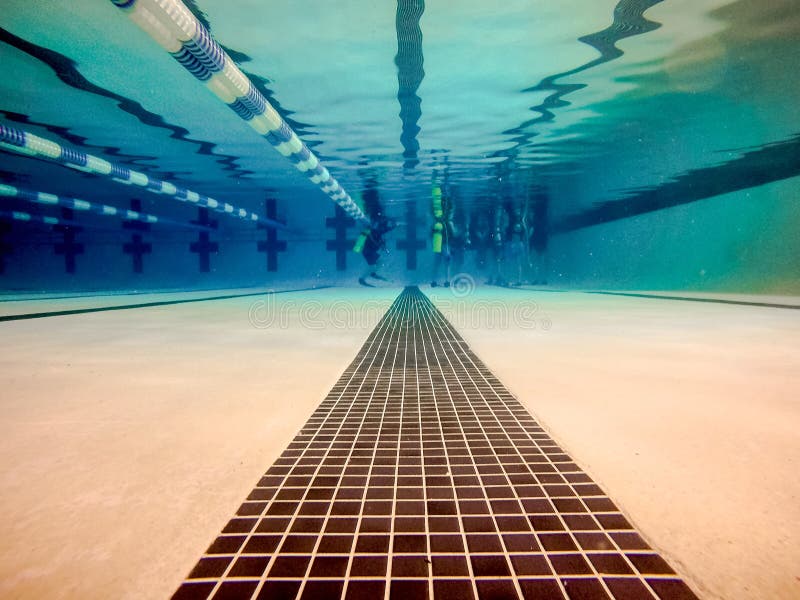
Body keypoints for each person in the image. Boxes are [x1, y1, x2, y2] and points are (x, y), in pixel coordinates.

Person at [355, 211, 396, 287]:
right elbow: (382, 231)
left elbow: (382, 233)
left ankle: (372, 273)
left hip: (370, 251)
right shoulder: (374, 231)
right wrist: (392, 225)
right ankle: (362, 279)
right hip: (368, 251)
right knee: (373, 266)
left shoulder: (377, 232)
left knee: (380, 262)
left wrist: (383, 245)